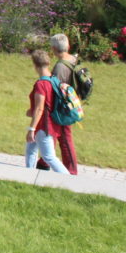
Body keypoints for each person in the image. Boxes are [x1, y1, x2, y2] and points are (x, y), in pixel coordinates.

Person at [24, 49, 70, 174]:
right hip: (51, 124)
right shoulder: (54, 80)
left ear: (35, 65)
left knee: (49, 157)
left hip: (43, 126)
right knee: (30, 151)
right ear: (48, 63)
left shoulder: (41, 84)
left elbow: (40, 108)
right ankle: (27, 177)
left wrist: (31, 129)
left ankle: (69, 181)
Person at [49, 33, 80, 175]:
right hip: (72, 102)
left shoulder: (60, 67)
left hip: (62, 106)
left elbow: (55, 88)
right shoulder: (74, 59)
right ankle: (44, 162)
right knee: (53, 133)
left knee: (64, 136)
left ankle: (71, 170)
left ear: (54, 48)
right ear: (68, 46)